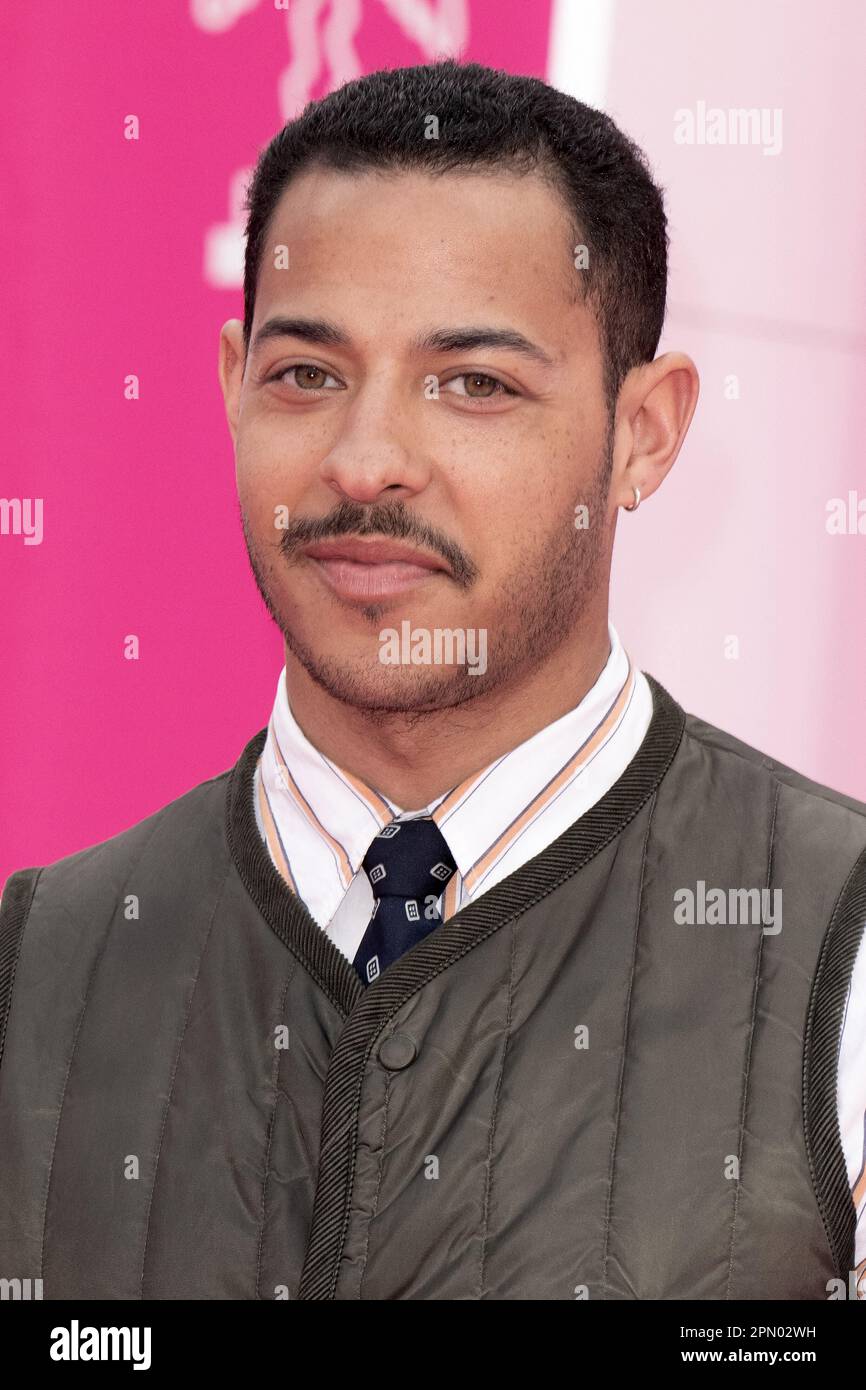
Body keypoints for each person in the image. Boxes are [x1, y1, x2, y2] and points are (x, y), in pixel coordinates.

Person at [1, 59, 864, 1302]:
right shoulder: (42, 962)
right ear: (231, 385)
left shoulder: (833, 941)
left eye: (473, 385)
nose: (365, 463)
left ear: (643, 434)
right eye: (307, 374)